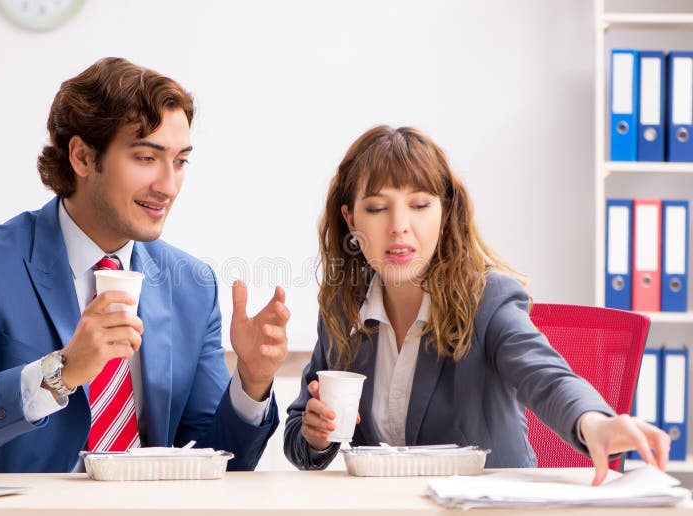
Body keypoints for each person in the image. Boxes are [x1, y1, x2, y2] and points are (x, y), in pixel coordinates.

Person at [0, 57, 289, 473]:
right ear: (82, 157)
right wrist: (59, 373)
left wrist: (251, 383)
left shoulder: (192, 286)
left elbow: (212, 459)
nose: (168, 186)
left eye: (180, 161)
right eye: (147, 157)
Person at [283, 125, 670, 485]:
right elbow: (301, 437)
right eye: (377, 208)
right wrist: (317, 438)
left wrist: (593, 423)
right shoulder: (343, 308)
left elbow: (547, 376)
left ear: (445, 210)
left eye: (419, 205)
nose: (399, 225)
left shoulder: (488, 299)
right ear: (350, 218)